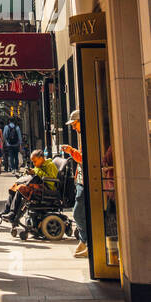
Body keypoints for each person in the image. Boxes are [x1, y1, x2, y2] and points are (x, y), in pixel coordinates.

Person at [0, 149, 59, 228]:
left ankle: (12, 213)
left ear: (41, 158)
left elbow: (51, 179)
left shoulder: (50, 165)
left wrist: (35, 172)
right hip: (38, 186)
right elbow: (36, 171)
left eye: (35, 161)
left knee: (21, 188)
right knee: (15, 186)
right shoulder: (38, 166)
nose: (34, 164)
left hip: (46, 188)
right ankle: (6, 210)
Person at [62, 108, 87, 257]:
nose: (73, 127)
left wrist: (71, 151)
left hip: (85, 180)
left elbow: (84, 158)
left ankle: (88, 243)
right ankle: (84, 242)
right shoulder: (83, 136)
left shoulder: (88, 135)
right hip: (81, 179)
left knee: (78, 213)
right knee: (79, 212)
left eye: (74, 124)